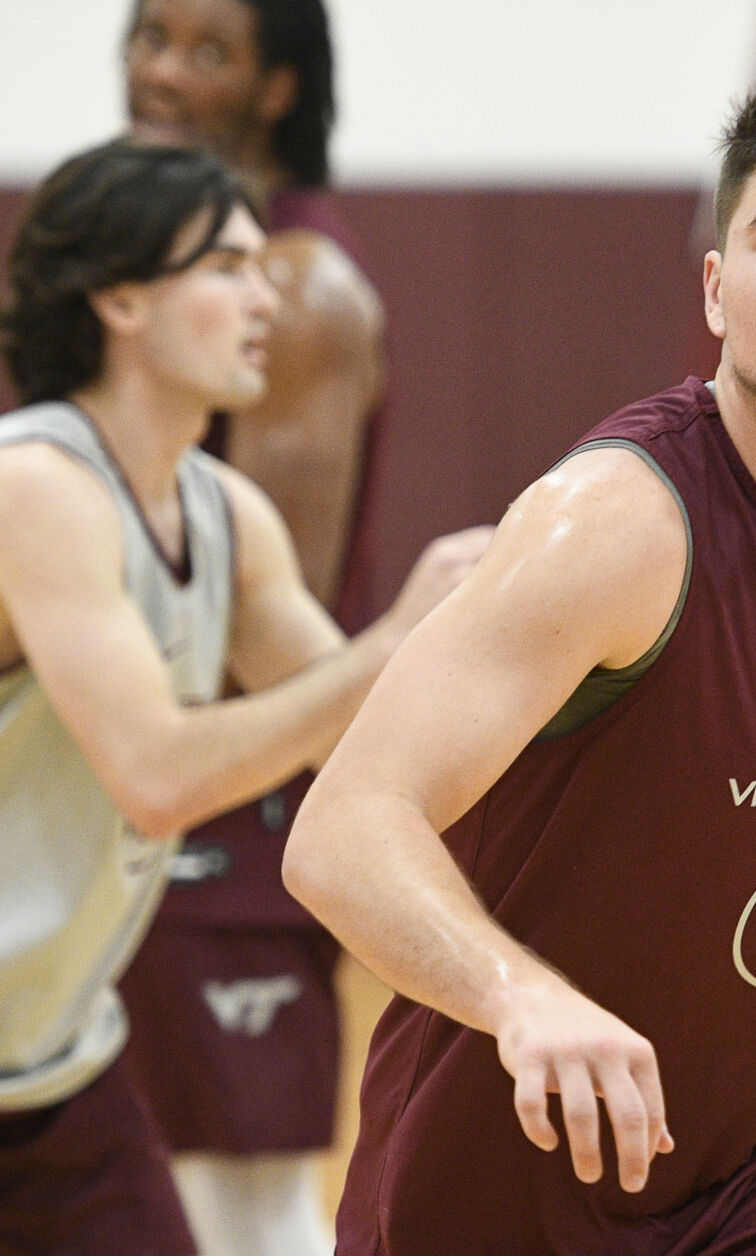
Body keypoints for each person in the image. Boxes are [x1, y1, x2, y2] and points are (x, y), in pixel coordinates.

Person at [283, 56, 756, 1256]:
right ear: (716, 285)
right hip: (512, 1160)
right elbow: (342, 829)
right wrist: (517, 994)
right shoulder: (615, 527)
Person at [0, 139, 487, 1256]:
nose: (266, 293)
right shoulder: (36, 486)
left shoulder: (224, 512)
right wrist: (395, 636)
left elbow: (369, 739)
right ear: (120, 297)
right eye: (225, 266)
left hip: (56, 1067)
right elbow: (161, 773)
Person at [114, 2, 396, 1251]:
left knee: (240, 1209)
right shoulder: (169, 269)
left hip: (237, 816)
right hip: (133, 790)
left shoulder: (296, 287)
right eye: (150, 34)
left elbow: (268, 611)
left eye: (207, 49)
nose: (161, 69)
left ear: (279, 87)